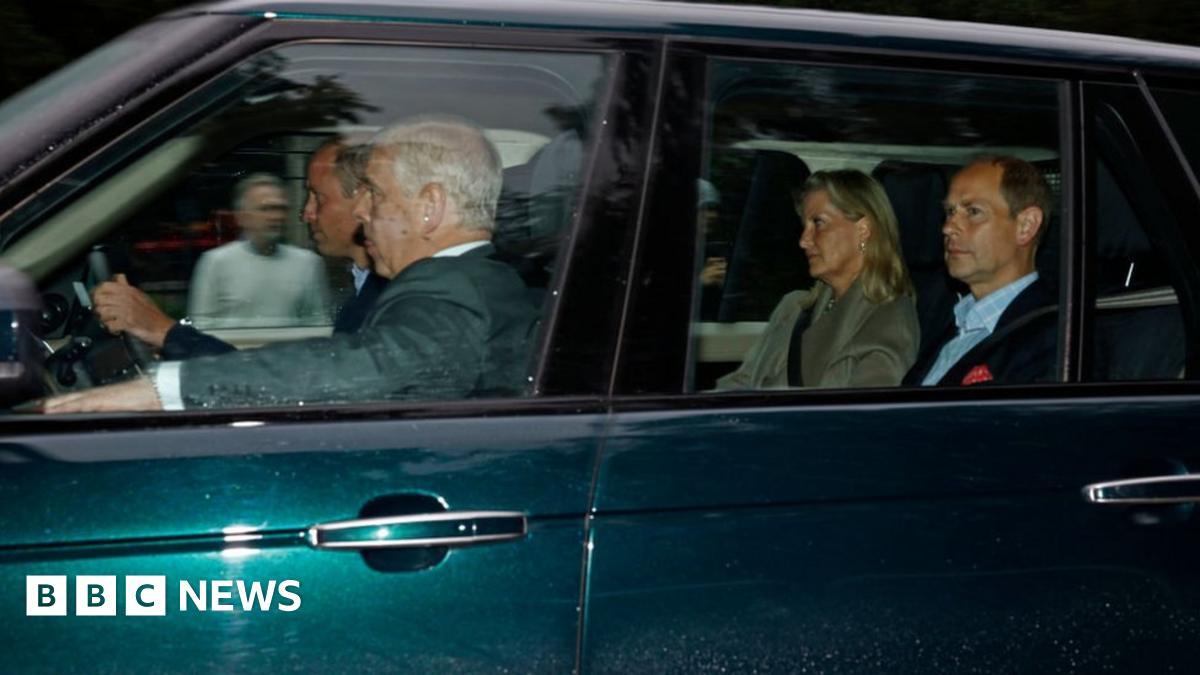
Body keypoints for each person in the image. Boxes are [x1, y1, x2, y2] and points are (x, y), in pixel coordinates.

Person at [45, 116, 540, 412]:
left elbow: (367, 367)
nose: (362, 211)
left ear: (429, 207)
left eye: (375, 195)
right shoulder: (477, 279)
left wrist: (162, 390)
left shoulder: (453, 291)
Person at [92, 138, 387, 359]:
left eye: (318, 198)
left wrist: (163, 332)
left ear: (363, 202)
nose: (305, 213)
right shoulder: (363, 288)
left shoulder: (388, 299)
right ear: (242, 216)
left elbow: (302, 384)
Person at [717, 169, 918, 390]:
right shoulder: (792, 308)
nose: (804, 241)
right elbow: (739, 385)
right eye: (804, 226)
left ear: (863, 230)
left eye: (818, 223)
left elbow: (862, 418)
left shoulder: (889, 319)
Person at [904, 155, 1056, 386]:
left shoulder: (1050, 337)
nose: (948, 227)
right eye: (950, 212)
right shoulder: (951, 320)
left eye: (973, 212)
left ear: (1026, 226)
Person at [186, 172, 330, 329]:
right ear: (242, 217)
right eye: (266, 208)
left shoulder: (308, 263)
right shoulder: (216, 262)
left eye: (280, 208)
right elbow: (200, 327)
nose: (276, 216)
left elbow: (319, 325)